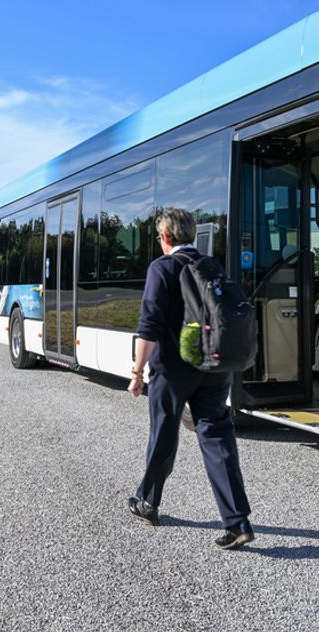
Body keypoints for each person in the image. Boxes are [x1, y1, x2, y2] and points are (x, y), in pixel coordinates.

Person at [126, 207, 254, 550]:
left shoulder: (162, 268)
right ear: (192, 235)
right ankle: (237, 522)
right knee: (217, 437)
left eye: (158, 236)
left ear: (166, 237)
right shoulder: (210, 266)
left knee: (163, 435)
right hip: (214, 367)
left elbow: (149, 327)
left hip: (173, 369)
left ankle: (148, 502)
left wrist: (137, 373)